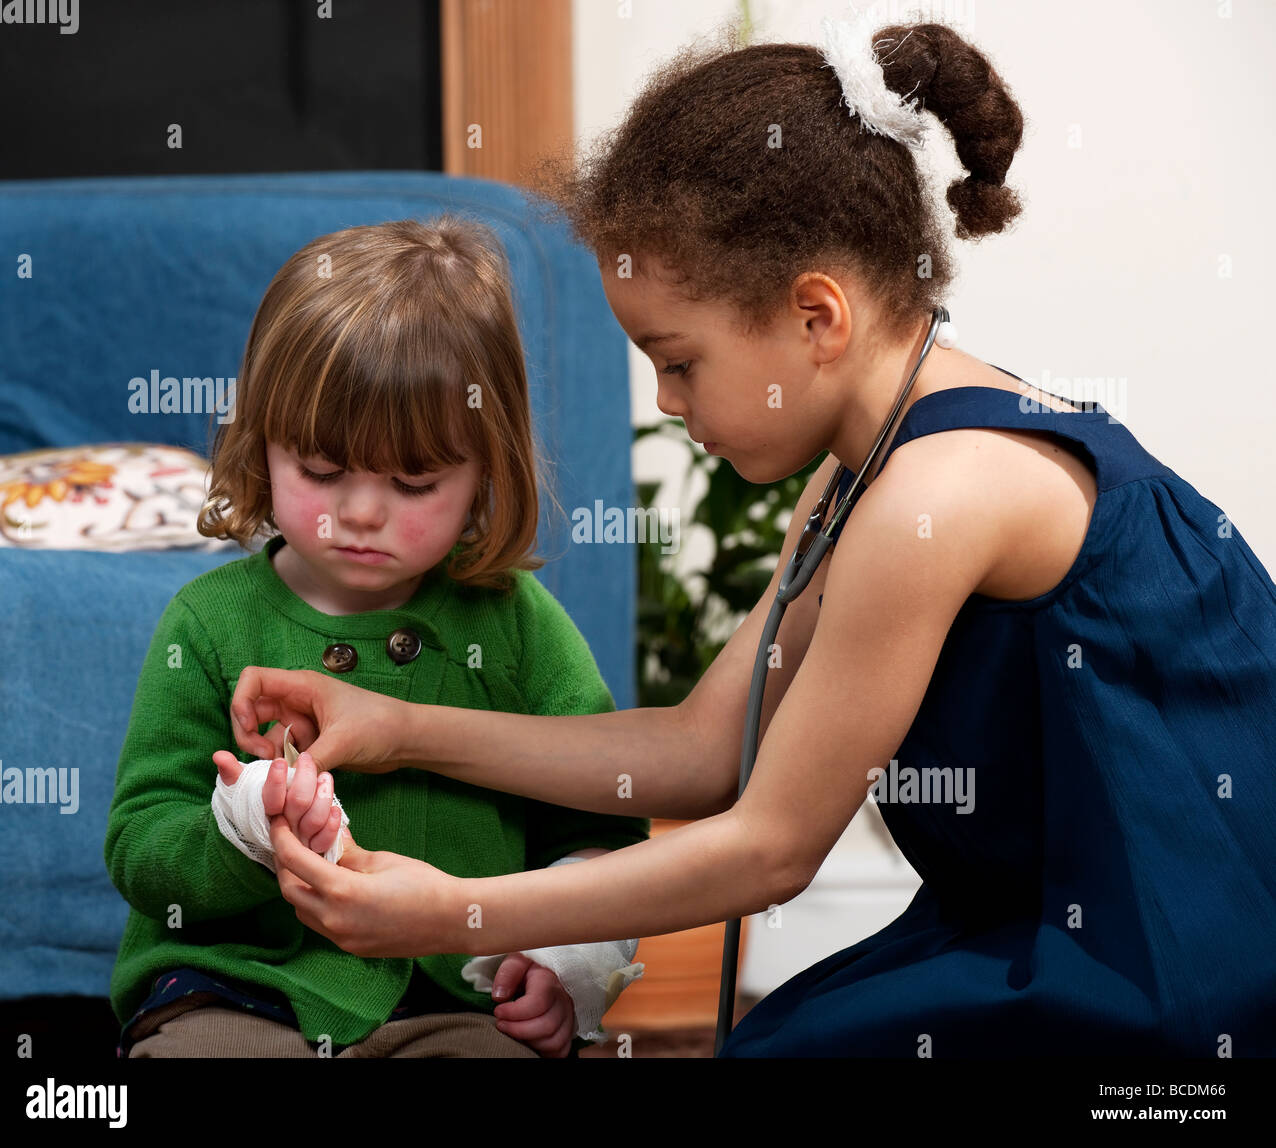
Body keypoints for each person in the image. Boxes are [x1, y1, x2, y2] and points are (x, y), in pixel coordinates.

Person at [227, 18, 1276, 1057]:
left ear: (816, 318)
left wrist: (452, 911)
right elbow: (700, 750)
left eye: (677, 360)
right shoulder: (860, 470)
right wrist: (396, 722)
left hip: (1171, 966)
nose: (664, 400)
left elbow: (771, 847)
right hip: (1046, 923)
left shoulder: (942, 496)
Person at [102, 216, 651, 1059]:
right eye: (320, 471)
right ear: (262, 448)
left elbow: (601, 818)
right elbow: (141, 844)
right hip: (245, 987)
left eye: (414, 481)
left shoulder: (517, 622)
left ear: (485, 473)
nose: (359, 513)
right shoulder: (206, 624)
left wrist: (564, 958)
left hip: (461, 1002)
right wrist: (245, 824)